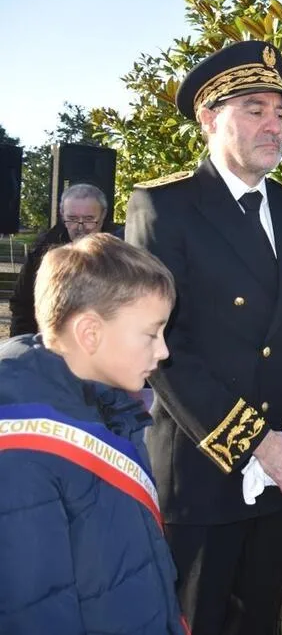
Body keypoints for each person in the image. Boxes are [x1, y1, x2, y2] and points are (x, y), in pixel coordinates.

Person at [125, 40, 282, 635]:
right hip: (204, 467)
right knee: (194, 621)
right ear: (208, 117)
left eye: (279, 113)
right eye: (254, 109)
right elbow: (156, 342)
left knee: (259, 620)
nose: (274, 126)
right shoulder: (163, 208)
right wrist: (257, 443)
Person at [0, 233, 186, 634]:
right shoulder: (19, 457)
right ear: (90, 333)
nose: (164, 351)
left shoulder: (106, 408)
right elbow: (33, 610)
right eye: (152, 334)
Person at [9, 182, 121, 336]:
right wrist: (23, 347)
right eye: (72, 218)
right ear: (62, 214)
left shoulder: (121, 252)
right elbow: (22, 305)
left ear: (103, 215)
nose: (80, 227)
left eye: (89, 219)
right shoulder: (42, 251)